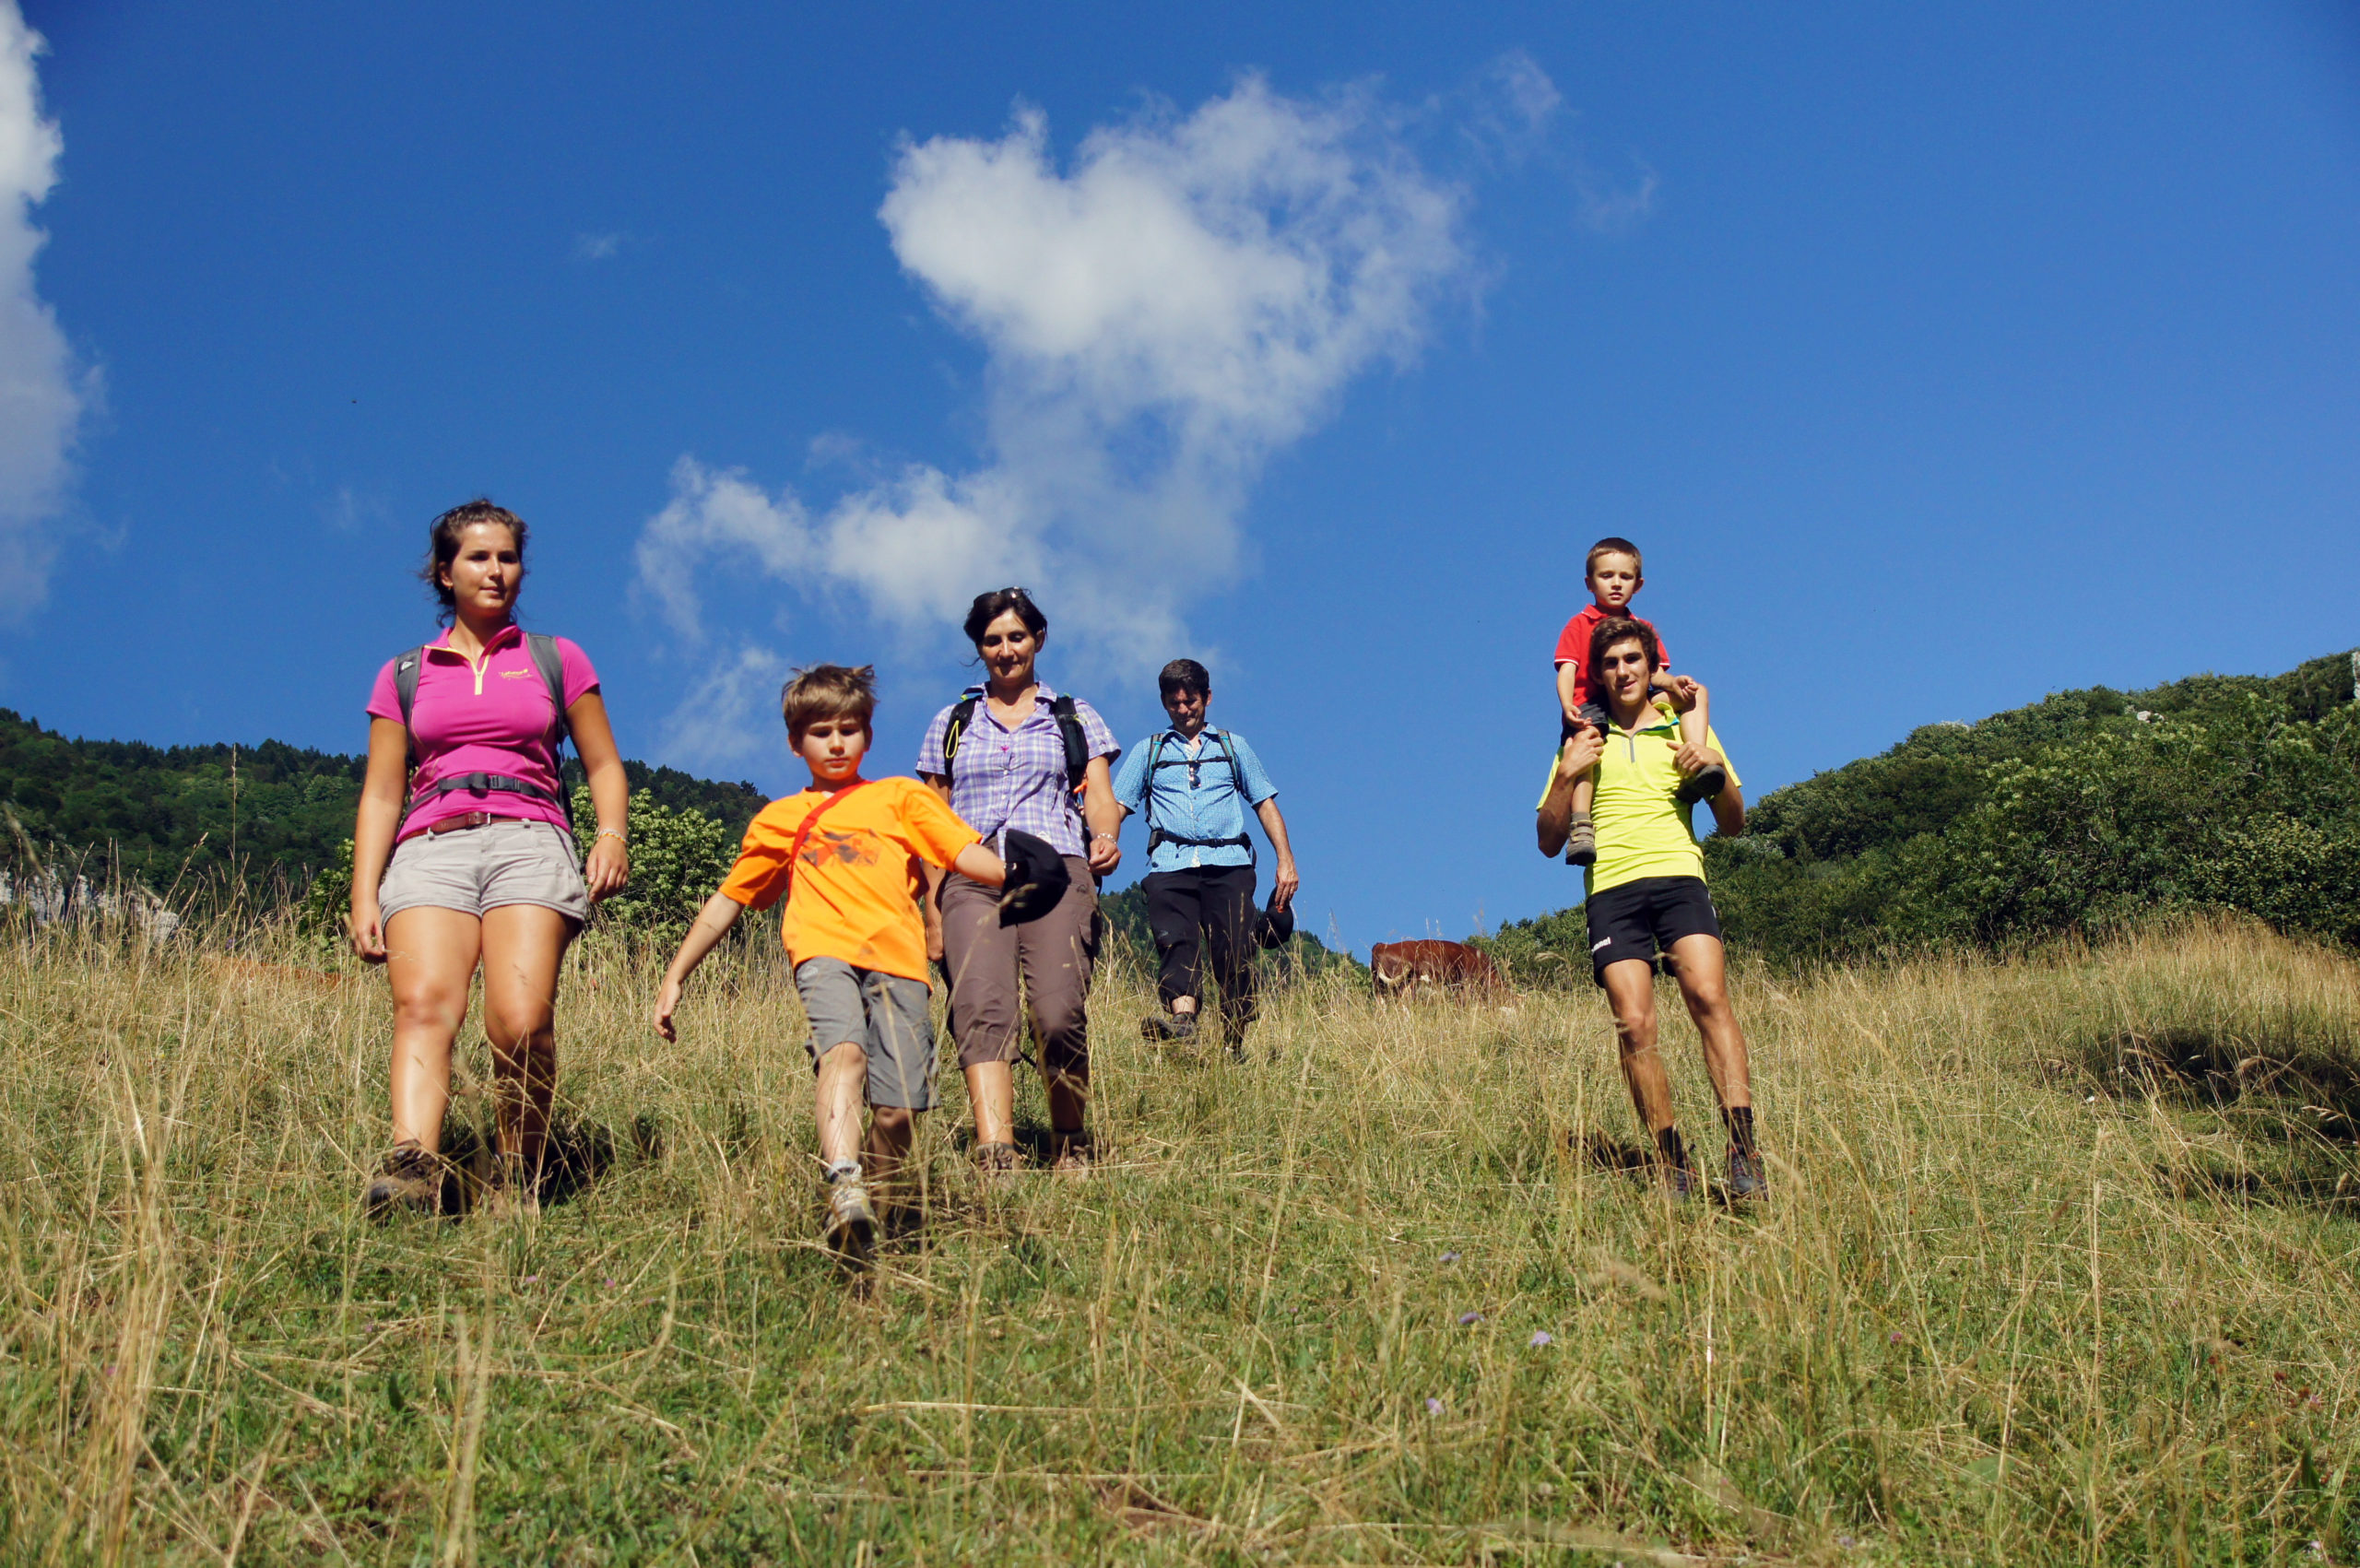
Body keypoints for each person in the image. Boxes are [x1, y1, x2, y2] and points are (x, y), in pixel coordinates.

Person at [652, 665, 1066, 1259]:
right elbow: (728, 903)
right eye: (821, 732)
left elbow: (960, 851)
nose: (837, 742)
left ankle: (872, 1201)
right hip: (822, 953)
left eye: (850, 729)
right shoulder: (778, 820)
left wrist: (1017, 876)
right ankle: (843, 1185)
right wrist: (675, 976)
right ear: (796, 742)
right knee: (841, 1052)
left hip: (899, 963)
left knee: (898, 1113)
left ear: (868, 736)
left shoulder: (900, 797)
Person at [350, 500, 631, 1220]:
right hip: (430, 844)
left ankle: (517, 1172)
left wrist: (610, 834)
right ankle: (412, 1166)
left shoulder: (555, 658)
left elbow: (602, 764)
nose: (496, 570)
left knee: (520, 1020)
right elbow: (383, 793)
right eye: (478, 557)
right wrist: (363, 892)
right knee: (423, 1005)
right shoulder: (404, 673)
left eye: (507, 557)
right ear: (444, 573)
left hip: (529, 838)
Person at [1535, 617, 1764, 1200]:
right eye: (1610, 664)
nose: (1622, 671)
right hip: (1611, 890)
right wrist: (1567, 776)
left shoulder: (1681, 729)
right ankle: (1673, 1165)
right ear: (1599, 674)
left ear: (1649, 664)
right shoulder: (1583, 739)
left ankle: (1744, 1154)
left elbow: (1735, 824)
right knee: (1635, 1026)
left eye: (1632, 660)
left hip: (1680, 880)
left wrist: (1710, 775)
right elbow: (1546, 839)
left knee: (1709, 998)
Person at [918, 588, 1123, 1178]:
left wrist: (1105, 838)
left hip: (1056, 871)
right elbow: (933, 821)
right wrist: (931, 913)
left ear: (1038, 638)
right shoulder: (952, 722)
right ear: (978, 648)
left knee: (1058, 1013)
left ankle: (1070, 1139)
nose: (1005, 650)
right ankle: (996, 1152)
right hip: (971, 877)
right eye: (992, 640)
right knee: (983, 1008)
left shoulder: (1074, 715)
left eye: (1016, 637)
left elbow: (1101, 799)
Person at [1111, 658, 1300, 1055]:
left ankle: (1235, 1040)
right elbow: (1117, 804)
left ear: (1207, 698)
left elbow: (1264, 803)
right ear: (1164, 702)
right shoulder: (1149, 751)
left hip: (1228, 864)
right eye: (1174, 703)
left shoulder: (1233, 747)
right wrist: (1106, 839)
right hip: (1170, 865)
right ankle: (1183, 1022)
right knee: (1176, 942)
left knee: (1234, 951)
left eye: (1190, 701)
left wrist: (1286, 860)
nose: (1183, 710)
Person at [1550, 537, 1721, 867]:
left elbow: (1654, 674)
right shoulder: (1579, 624)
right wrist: (1566, 703)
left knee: (1697, 692)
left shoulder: (1643, 628)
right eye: (1606, 576)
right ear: (1589, 583)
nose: (1616, 583)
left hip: (1641, 701)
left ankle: (1697, 764)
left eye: (1625, 577)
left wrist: (1674, 683)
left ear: (1638, 584)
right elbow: (1566, 669)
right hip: (1591, 704)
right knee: (1587, 748)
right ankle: (1582, 823)